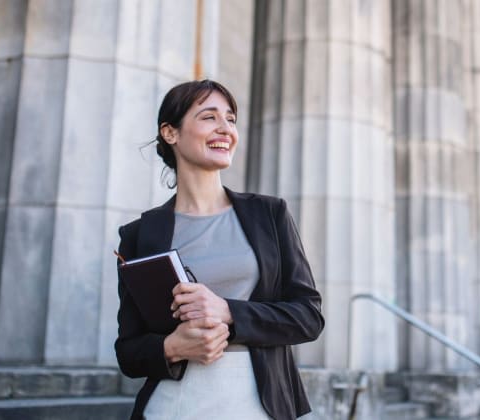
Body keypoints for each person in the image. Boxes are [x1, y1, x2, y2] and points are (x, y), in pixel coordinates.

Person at [114, 79, 324, 420]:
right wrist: (171, 347)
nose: (225, 129)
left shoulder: (269, 215)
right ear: (170, 133)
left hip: (259, 404)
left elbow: (308, 317)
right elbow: (128, 351)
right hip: (172, 406)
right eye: (209, 117)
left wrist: (227, 311)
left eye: (231, 119)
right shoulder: (140, 235)